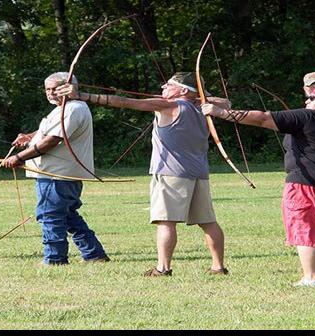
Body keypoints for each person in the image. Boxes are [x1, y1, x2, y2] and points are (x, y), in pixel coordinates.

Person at [201, 82, 315, 287]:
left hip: (310, 184)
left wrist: (221, 113)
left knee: (308, 227)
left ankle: (311, 278)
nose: (307, 101)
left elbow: (262, 118)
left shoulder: (307, 117)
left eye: (313, 98)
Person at [56, 72, 230, 276]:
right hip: (199, 173)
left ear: (183, 90)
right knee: (208, 222)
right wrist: (197, 97)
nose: (163, 86)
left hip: (170, 173)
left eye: (169, 85)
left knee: (165, 221)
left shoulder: (171, 105)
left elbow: (127, 102)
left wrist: (83, 96)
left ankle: (163, 268)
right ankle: (218, 267)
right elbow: (226, 102)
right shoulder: (203, 108)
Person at [1, 72, 109, 266]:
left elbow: (52, 141)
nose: (50, 93)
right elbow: (50, 132)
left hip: (57, 175)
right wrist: (30, 137)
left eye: (55, 89)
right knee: (68, 216)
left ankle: (55, 259)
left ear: (69, 88)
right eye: (47, 89)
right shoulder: (62, 108)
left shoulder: (73, 108)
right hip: (59, 174)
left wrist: (17, 158)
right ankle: (94, 255)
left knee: (50, 216)